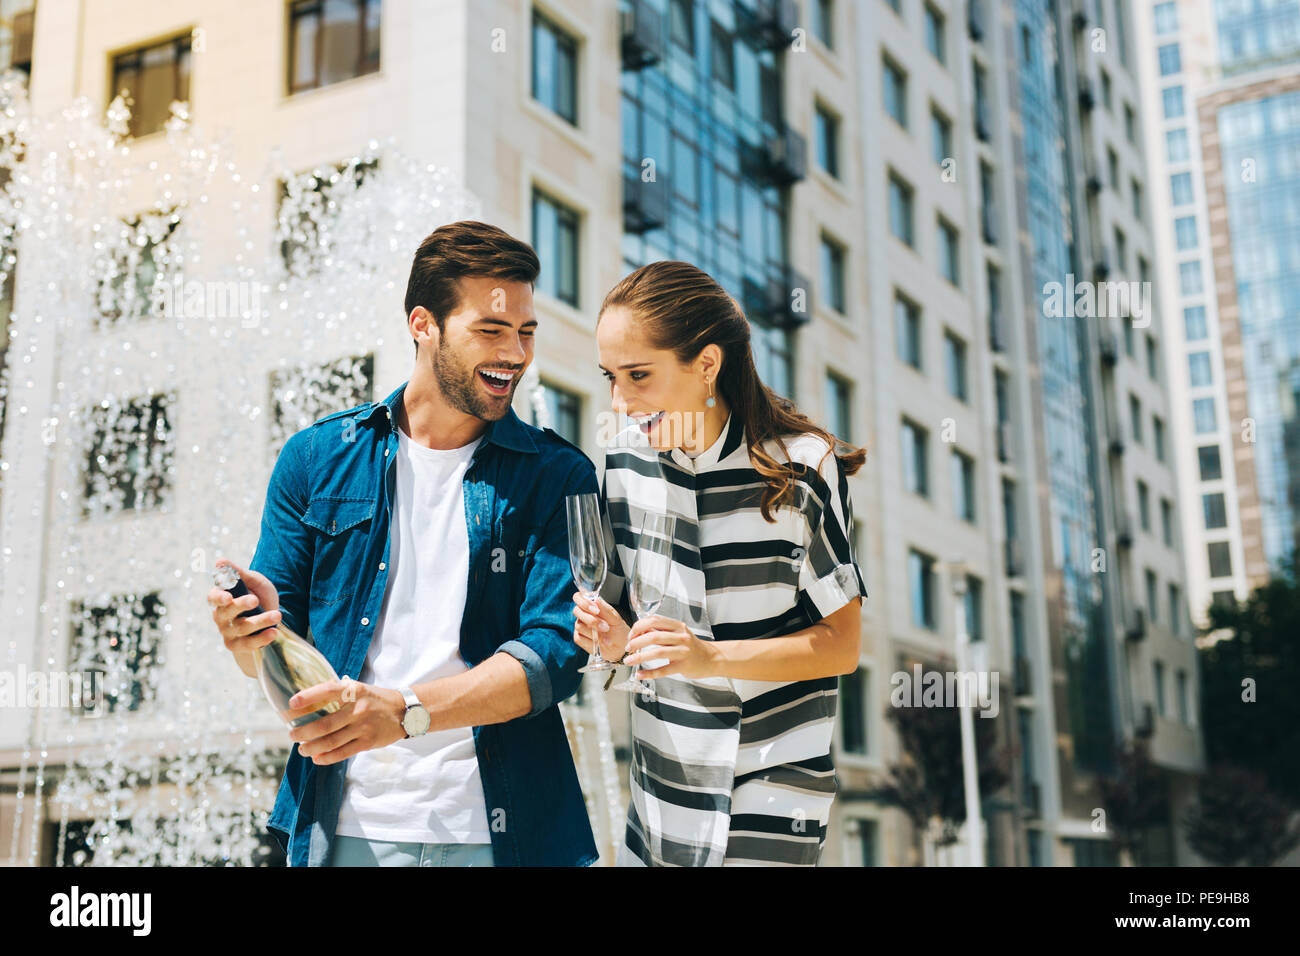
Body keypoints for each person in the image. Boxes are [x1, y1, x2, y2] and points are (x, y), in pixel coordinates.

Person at [208, 220, 598, 867]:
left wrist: (407, 711)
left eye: (525, 332)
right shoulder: (315, 458)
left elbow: (556, 654)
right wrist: (252, 637)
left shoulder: (559, 475)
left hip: (502, 833)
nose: (516, 355)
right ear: (423, 324)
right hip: (344, 823)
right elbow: (270, 657)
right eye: (491, 330)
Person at [572, 259, 866, 866]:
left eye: (638, 375)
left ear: (706, 364)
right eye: (610, 377)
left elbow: (841, 644)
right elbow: (629, 633)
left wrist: (710, 656)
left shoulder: (802, 468)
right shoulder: (623, 464)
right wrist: (611, 640)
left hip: (773, 784)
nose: (621, 402)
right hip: (662, 793)